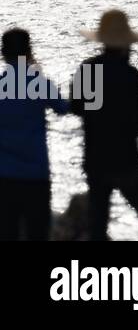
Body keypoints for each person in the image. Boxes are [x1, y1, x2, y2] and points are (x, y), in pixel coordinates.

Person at [71, 10, 138, 241]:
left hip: (95, 158)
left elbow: (76, 107)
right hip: (126, 159)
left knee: (98, 224)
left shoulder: (88, 69)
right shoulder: (130, 74)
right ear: (126, 44)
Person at [0, 28, 68, 240]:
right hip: (35, 172)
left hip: (4, 174)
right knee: (37, 233)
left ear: (4, 53)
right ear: (29, 51)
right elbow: (63, 108)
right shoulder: (39, 83)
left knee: (7, 232)